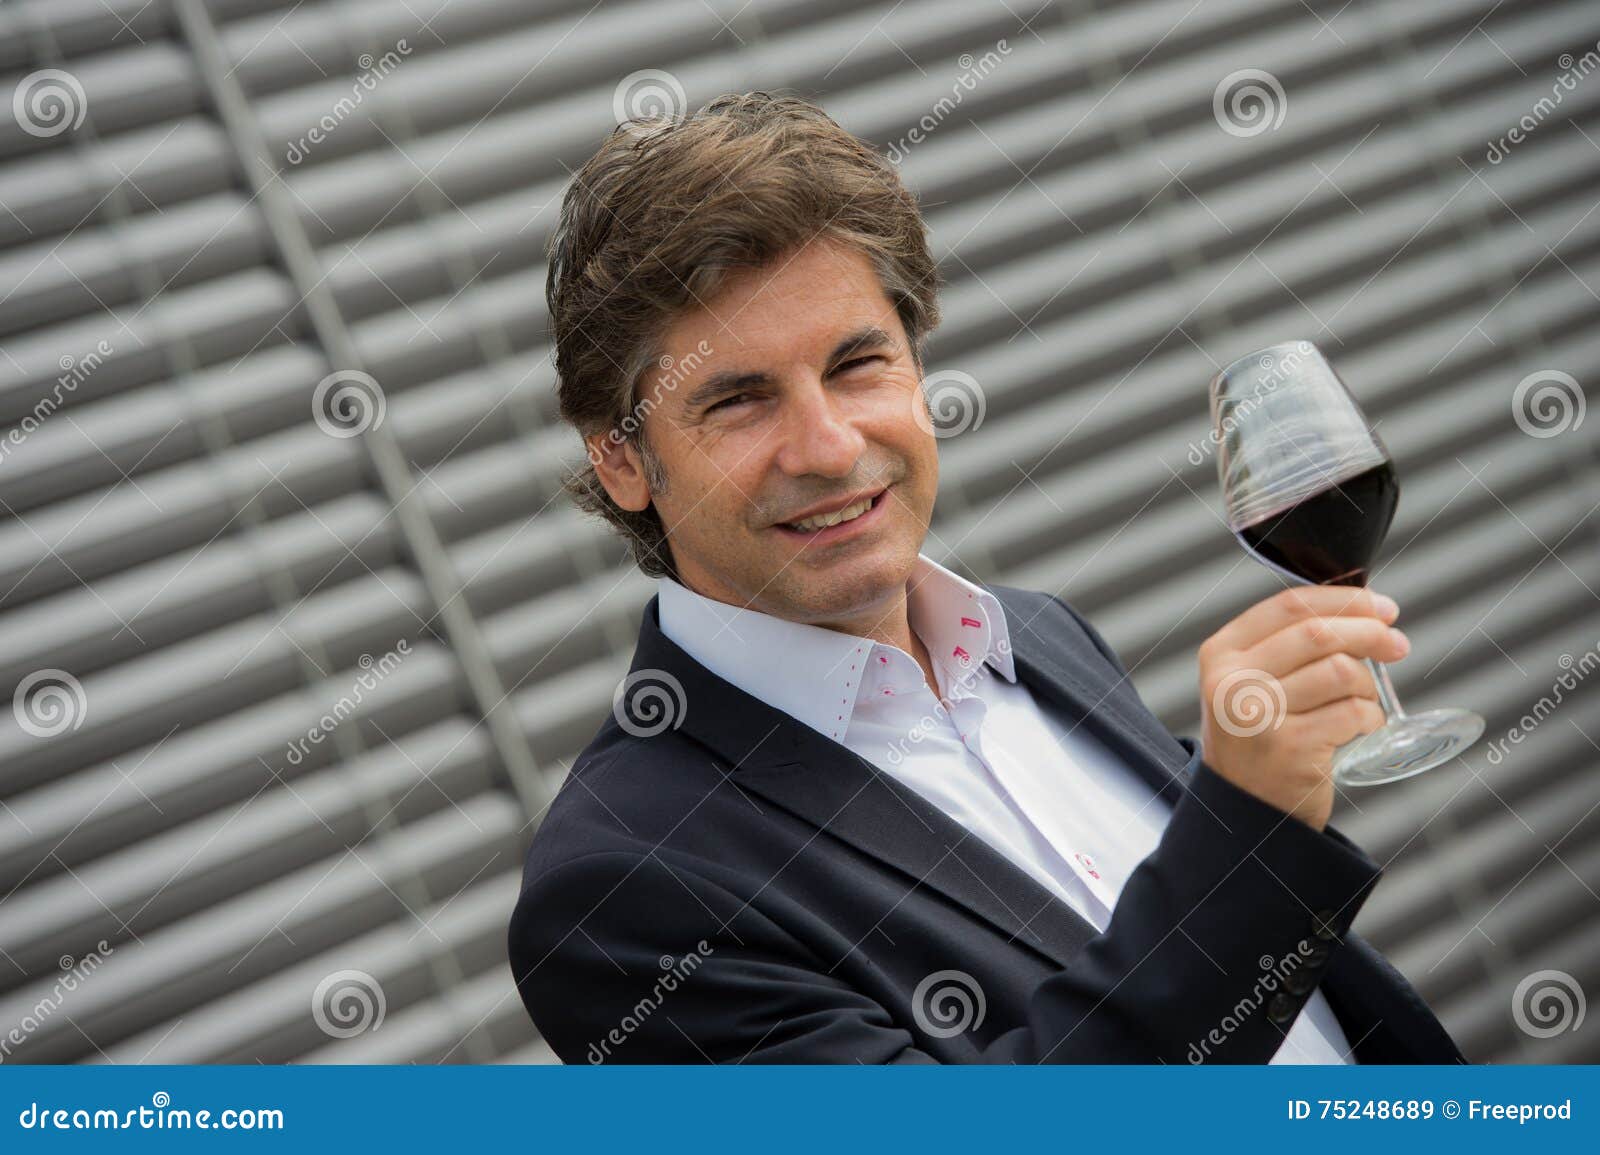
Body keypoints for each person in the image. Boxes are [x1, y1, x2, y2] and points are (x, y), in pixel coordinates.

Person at [507, 92, 1465, 1065]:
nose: (831, 447)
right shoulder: (618, 888)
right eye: (739, 400)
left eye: (857, 364)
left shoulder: (1035, 634)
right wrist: (1247, 838)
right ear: (621, 459)